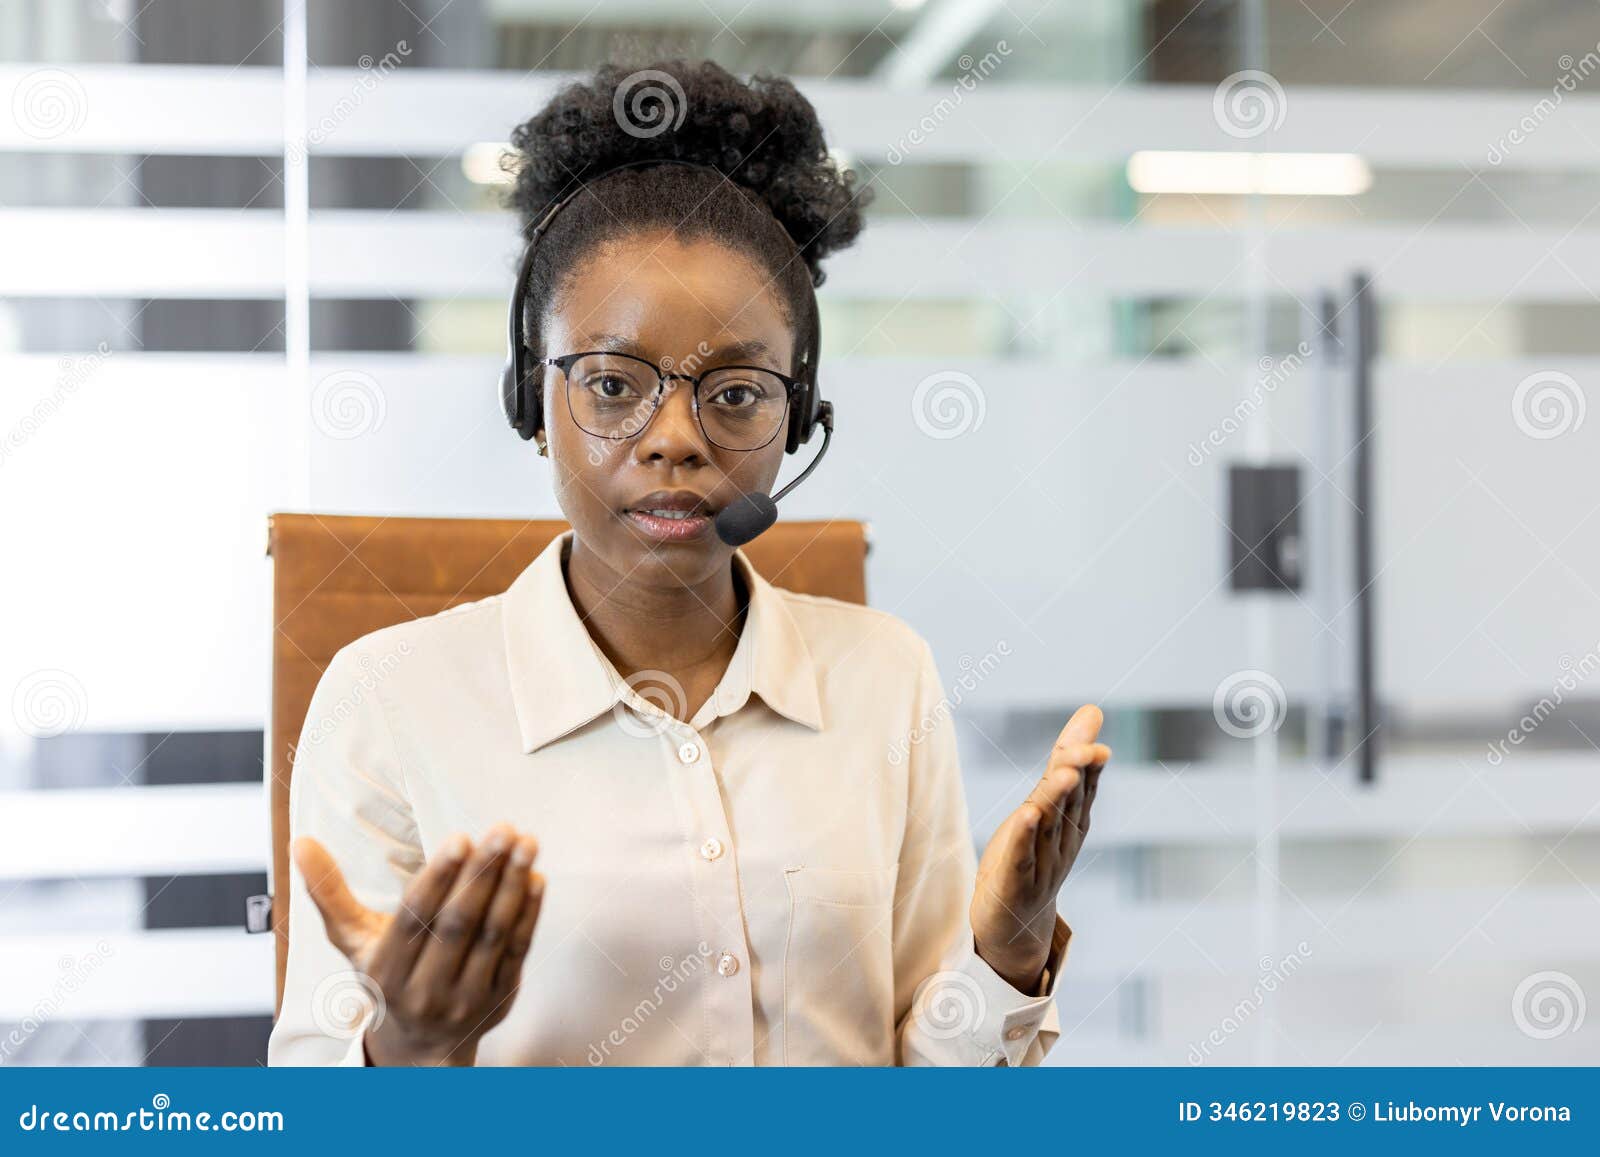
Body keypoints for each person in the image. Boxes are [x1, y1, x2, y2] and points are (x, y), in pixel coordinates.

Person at [267, 59, 1109, 1067]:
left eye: (738, 392)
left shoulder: (888, 676)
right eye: (613, 383)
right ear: (532, 402)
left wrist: (1006, 952)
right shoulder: (385, 697)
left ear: (799, 416)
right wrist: (413, 1042)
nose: (673, 438)